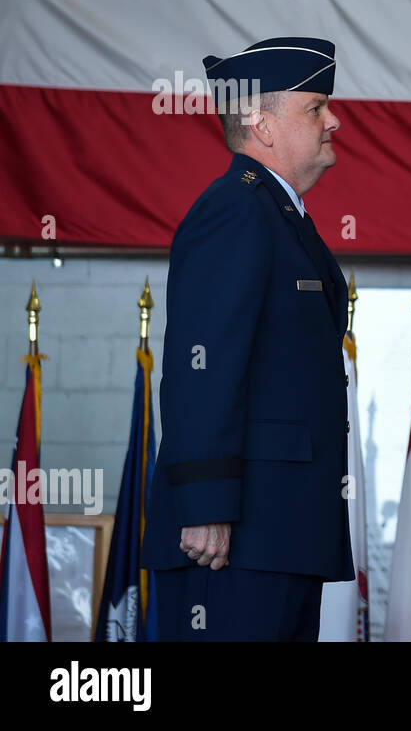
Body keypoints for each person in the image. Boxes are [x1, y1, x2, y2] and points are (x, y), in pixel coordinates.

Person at [142, 37, 353, 641]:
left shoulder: (279, 215)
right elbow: (199, 367)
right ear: (260, 123)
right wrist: (206, 505)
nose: (333, 119)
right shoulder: (235, 211)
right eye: (315, 107)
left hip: (280, 531)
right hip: (233, 539)